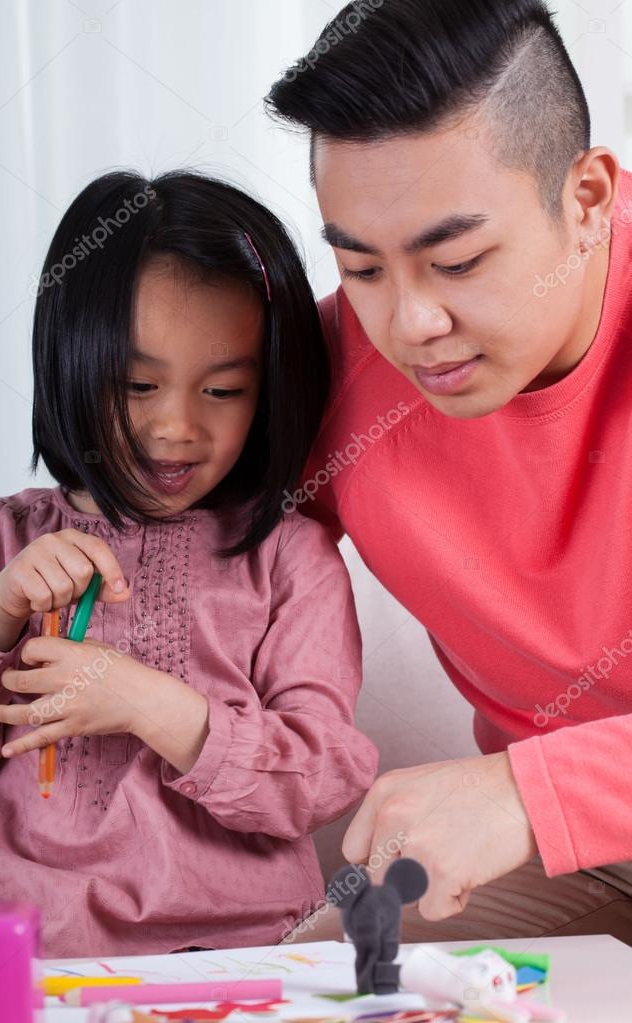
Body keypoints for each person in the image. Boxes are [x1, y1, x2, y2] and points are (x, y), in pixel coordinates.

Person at [266, 0, 632, 943]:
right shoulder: (338, 364)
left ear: (586, 200)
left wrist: (525, 789)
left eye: (457, 260)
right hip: (565, 859)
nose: (411, 326)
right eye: (362, 267)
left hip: (542, 811)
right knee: (324, 978)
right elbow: (180, 547)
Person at [0, 169, 378, 957]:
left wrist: (152, 704)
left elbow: (321, 779)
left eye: (223, 389)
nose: (176, 426)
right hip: (13, 952)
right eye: (137, 384)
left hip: (237, 948)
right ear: (71, 364)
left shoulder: (291, 556)